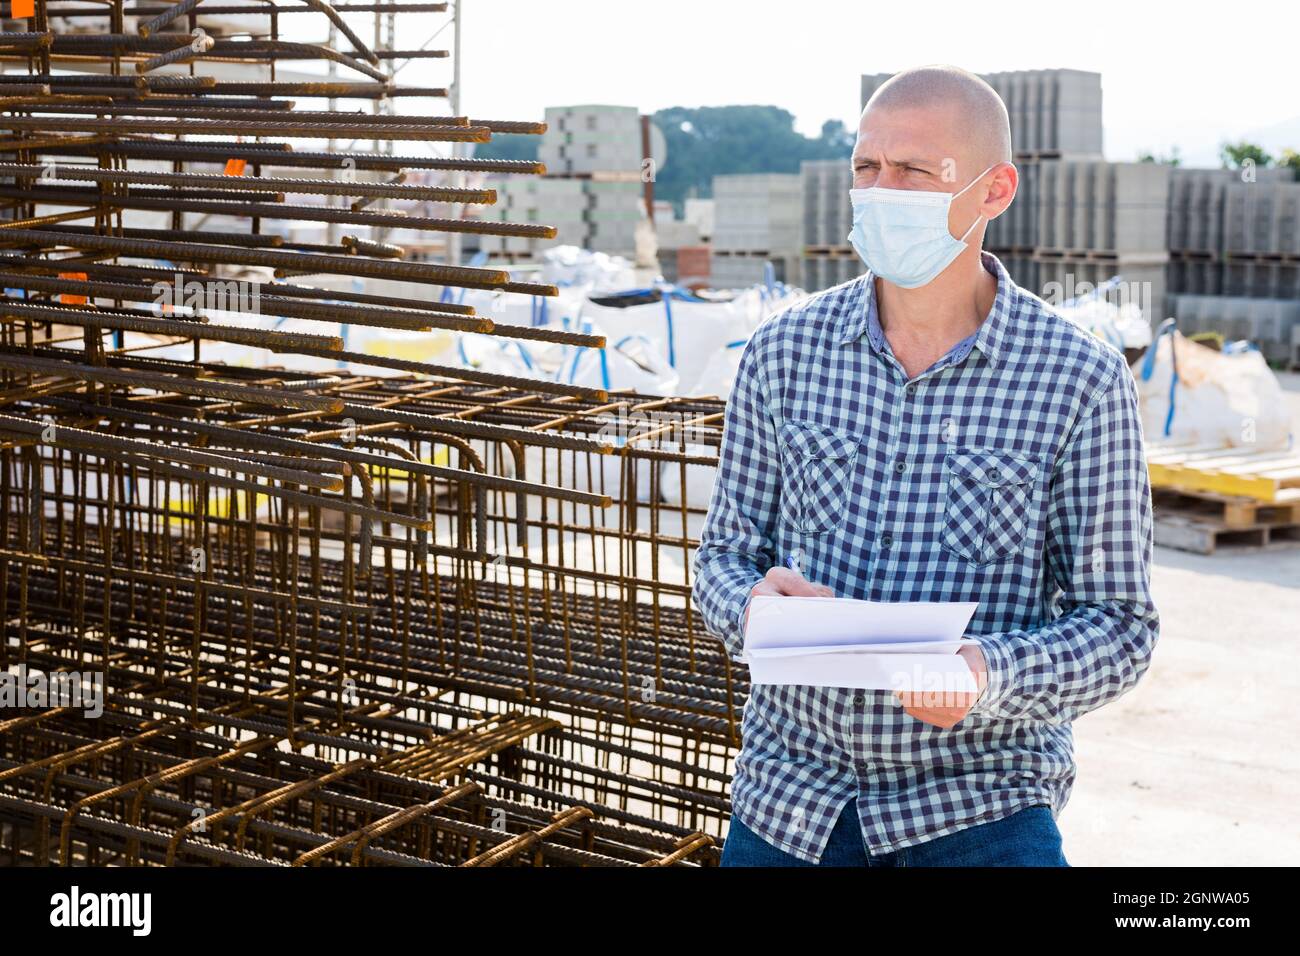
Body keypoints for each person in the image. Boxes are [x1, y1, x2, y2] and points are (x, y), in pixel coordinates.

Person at [692, 65, 1159, 867]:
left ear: (994, 190)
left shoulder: (1077, 378)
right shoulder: (784, 352)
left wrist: (986, 673)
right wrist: (754, 607)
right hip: (789, 799)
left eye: (914, 171)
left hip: (978, 805)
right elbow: (724, 559)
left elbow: (1120, 627)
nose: (881, 190)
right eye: (866, 169)